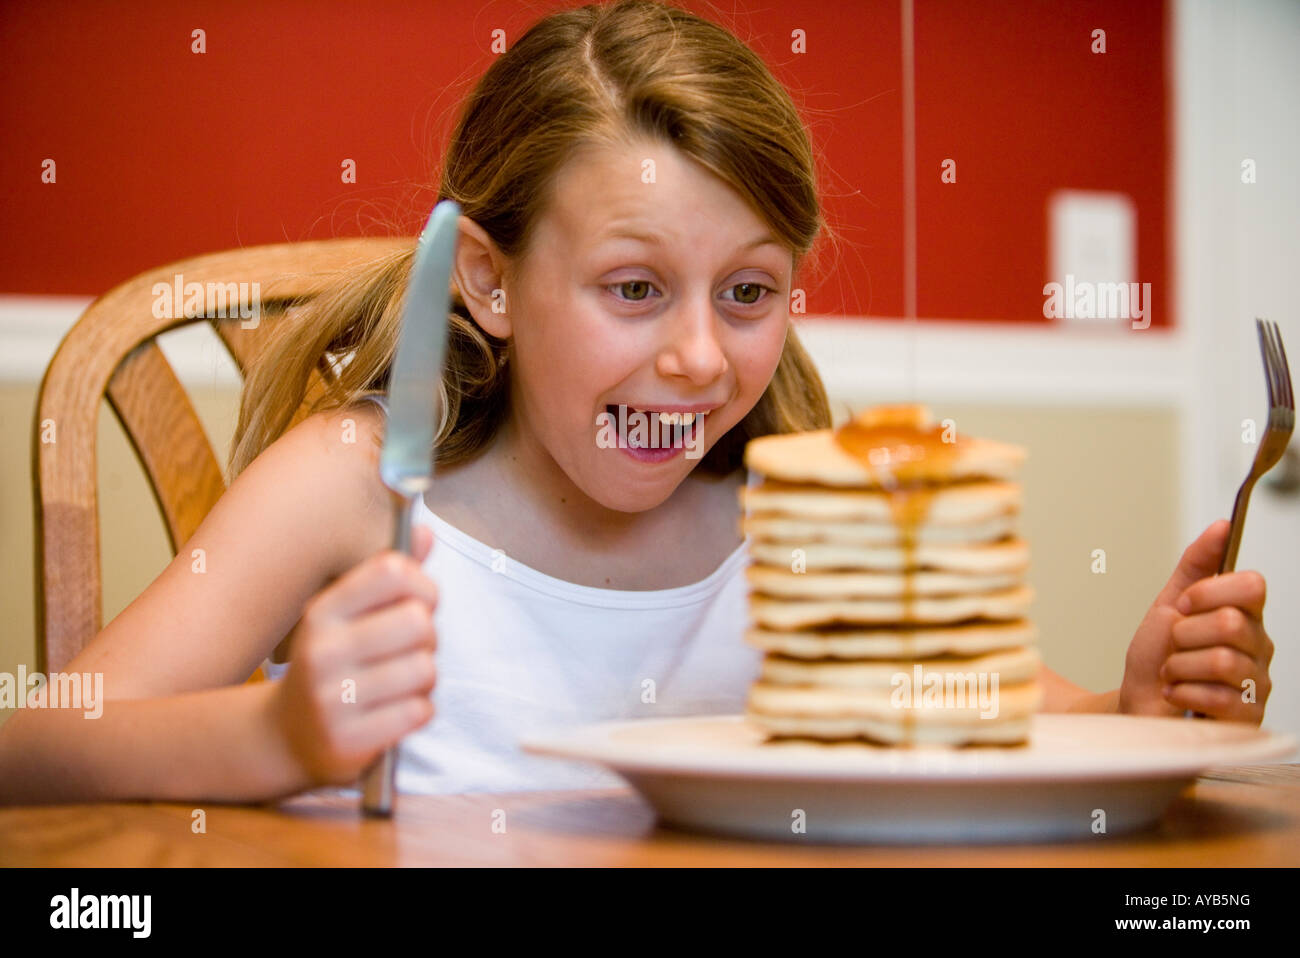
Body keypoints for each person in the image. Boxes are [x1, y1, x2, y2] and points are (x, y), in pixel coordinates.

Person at [0, 0, 1273, 804]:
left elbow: (997, 720)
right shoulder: (355, 490)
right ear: (489, 282)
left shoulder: (792, 525)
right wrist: (272, 734)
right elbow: (33, 744)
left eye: (748, 292)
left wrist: (1135, 708)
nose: (698, 361)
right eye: (632, 287)